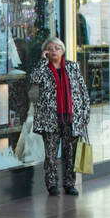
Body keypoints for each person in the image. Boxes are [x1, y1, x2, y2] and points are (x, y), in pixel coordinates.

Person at [28, 37, 91, 196]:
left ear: (62, 50)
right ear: (46, 52)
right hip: (50, 118)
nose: (54, 51)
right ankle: (52, 185)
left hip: (72, 118)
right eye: (50, 48)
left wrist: (85, 115)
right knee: (50, 154)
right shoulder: (43, 68)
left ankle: (70, 184)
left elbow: (83, 91)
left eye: (57, 48)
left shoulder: (72, 67)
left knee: (70, 154)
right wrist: (42, 62)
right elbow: (34, 79)